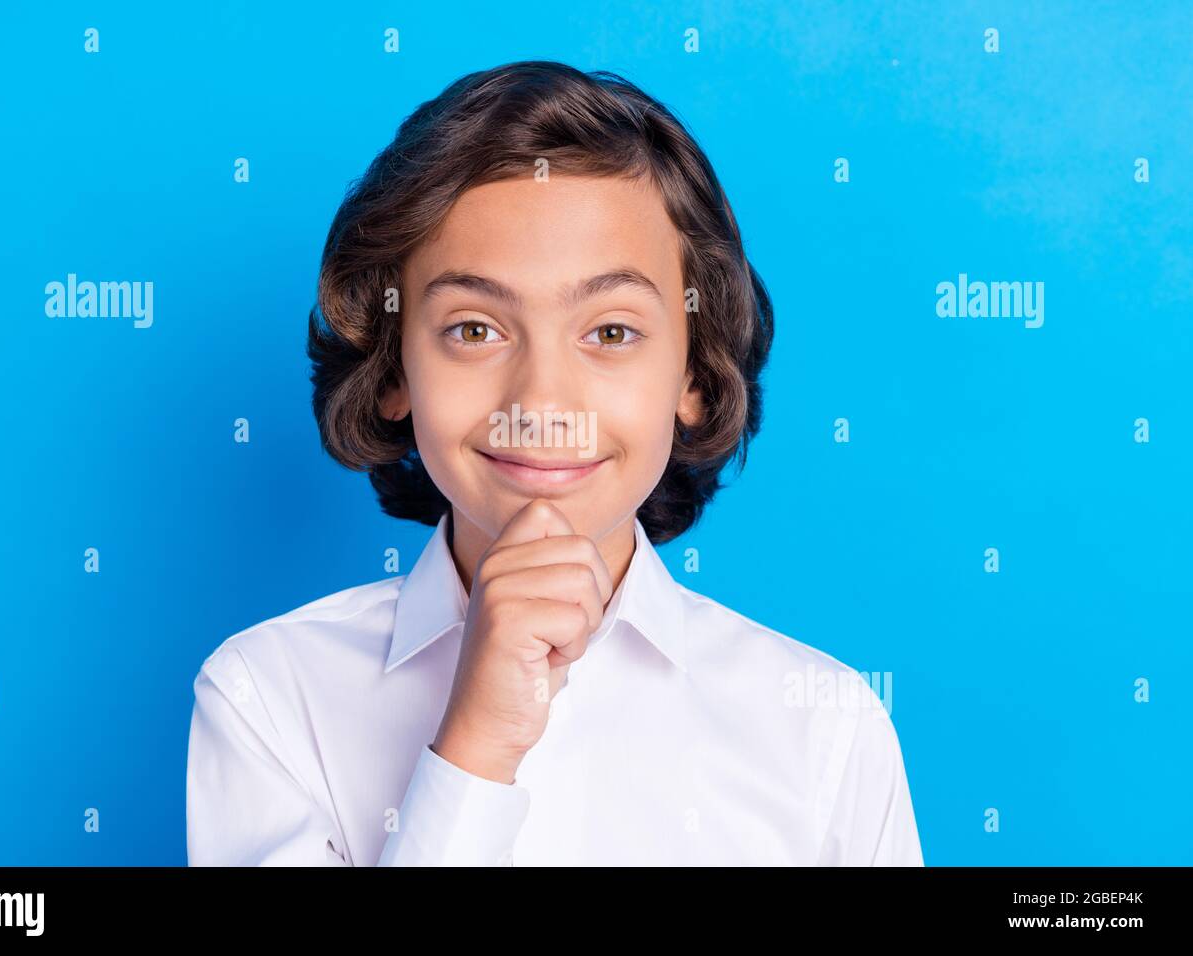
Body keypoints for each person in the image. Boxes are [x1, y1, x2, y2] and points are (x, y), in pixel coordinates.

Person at [185, 60, 924, 866]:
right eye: (474, 329)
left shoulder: (826, 729)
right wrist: (474, 747)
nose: (542, 403)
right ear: (394, 370)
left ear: (694, 376)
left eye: (610, 333)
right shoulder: (269, 695)